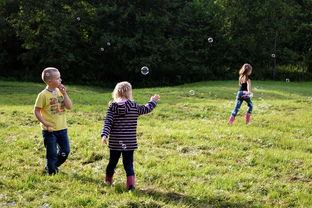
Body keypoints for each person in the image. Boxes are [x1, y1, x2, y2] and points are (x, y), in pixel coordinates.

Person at [101, 81, 160, 190]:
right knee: (128, 163)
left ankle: (108, 180)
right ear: (129, 93)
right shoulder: (133, 106)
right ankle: (131, 185)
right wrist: (152, 101)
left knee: (112, 162)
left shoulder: (112, 107)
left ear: (116, 93)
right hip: (129, 142)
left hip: (115, 142)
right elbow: (146, 109)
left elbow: (107, 122)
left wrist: (104, 135)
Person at [34, 67, 72, 175]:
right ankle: (52, 173)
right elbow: (36, 111)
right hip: (49, 130)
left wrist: (64, 94)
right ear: (50, 81)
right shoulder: (43, 95)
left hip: (62, 128)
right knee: (51, 153)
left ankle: (53, 165)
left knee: (65, 151)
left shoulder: (60, 92)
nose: (60, 80)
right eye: (58, 78)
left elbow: (69, 106)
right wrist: (45, 123)